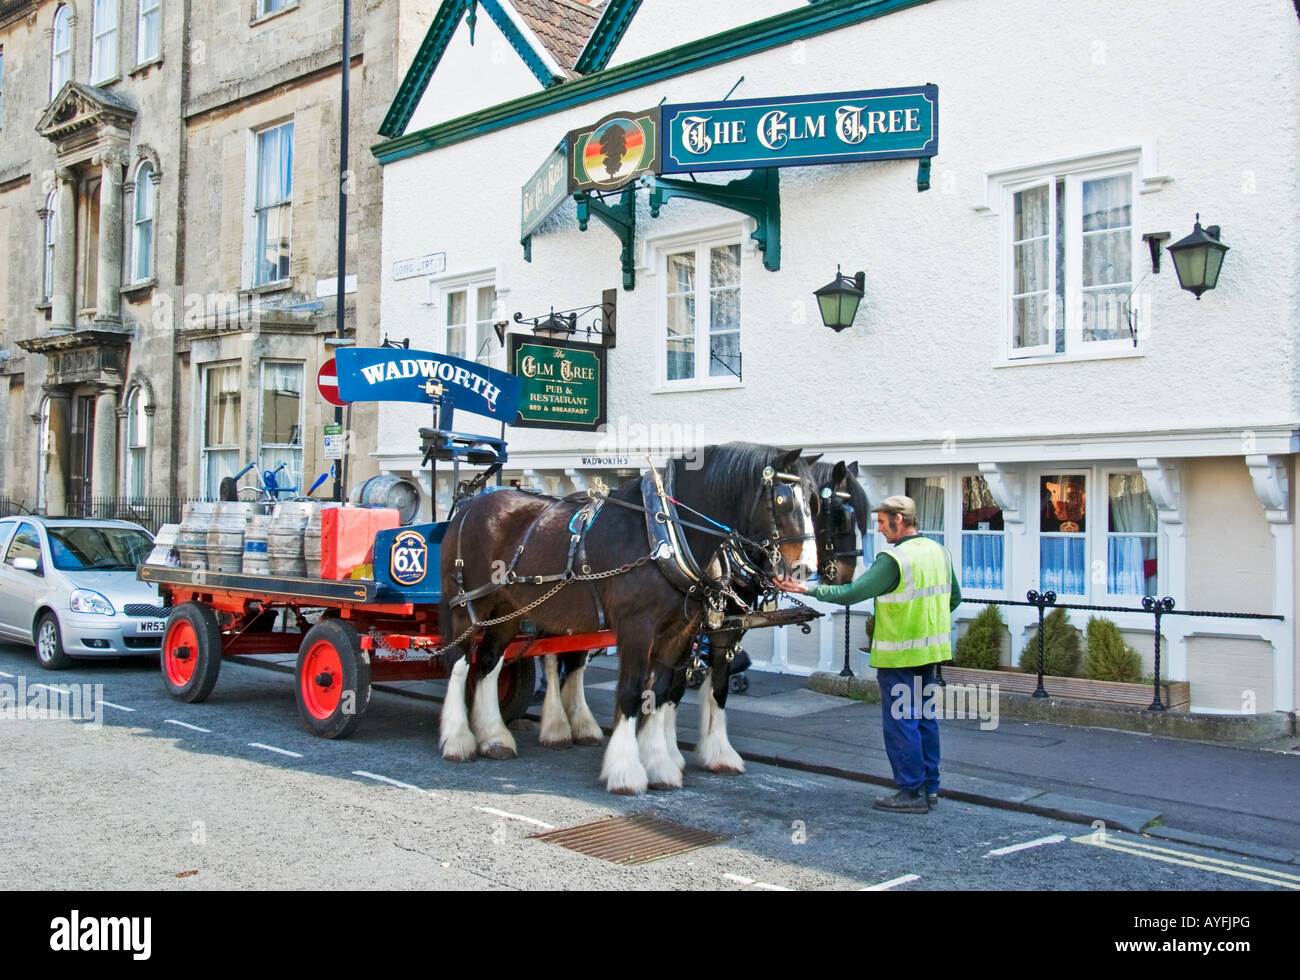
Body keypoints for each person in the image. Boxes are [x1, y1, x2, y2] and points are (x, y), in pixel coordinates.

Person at [777, 495, 961, 814]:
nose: (880, 529)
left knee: (901, 721)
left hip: (900, 657)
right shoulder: (939, 552)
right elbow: (953, 599)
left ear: (899, 520)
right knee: (924, 719)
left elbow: (853, 592)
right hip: (931, 654)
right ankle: (930, 787)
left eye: (882, 522)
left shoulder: (894, 560)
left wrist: (808, 589)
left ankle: (910, 791)